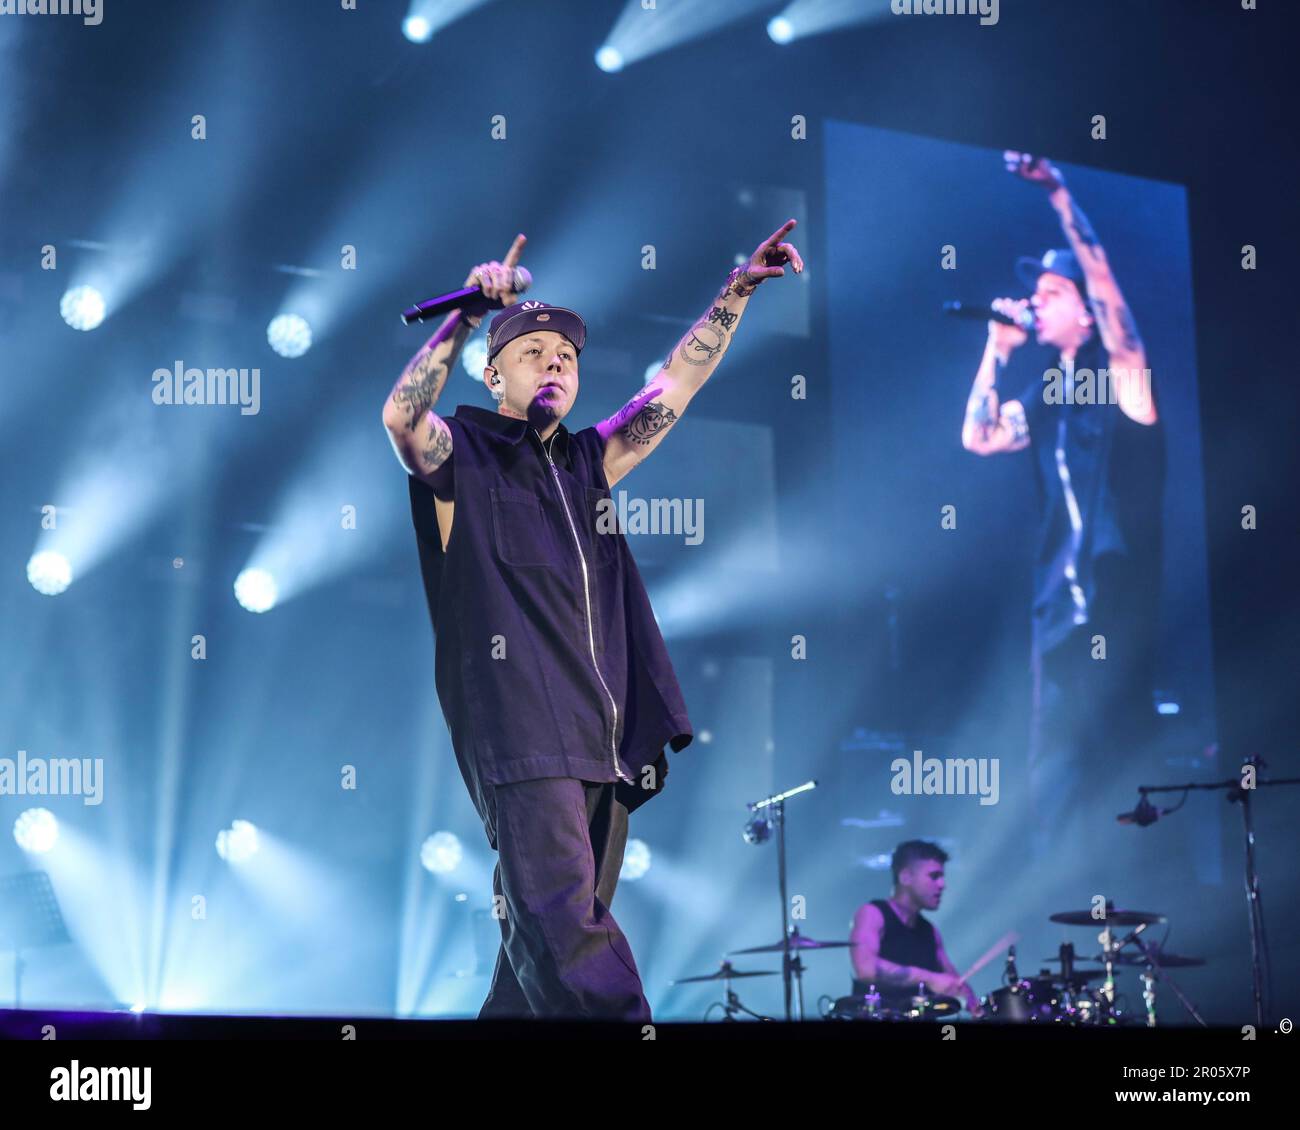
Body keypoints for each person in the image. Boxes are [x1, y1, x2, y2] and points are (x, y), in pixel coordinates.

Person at [382, 223, 804, 1019]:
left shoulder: (586, 462)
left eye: (568, 356)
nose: (556, 362)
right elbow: (402, 420)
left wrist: (738, 289)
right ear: (495, 373)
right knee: (573, 941)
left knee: (539, 956)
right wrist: (467, 314)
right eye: (535, 350)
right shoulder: (462, 454)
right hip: (521, 733)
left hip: (599, 740)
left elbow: (674, 387)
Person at [960, 153, 1165, 857]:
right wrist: (996, 348)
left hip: (1117, 599)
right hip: (1054, 610)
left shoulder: (1124, 377)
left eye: (1051, 292)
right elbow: (979, 438)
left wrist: (1060, 195)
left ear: (1084, 308)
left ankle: (1144, 888)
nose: (1037, 303)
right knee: (1054, 764)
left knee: (1121, 759)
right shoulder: (1047, 390)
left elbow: (1109, 293)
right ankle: (1063, 901)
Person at [847, 840, 982, 1017]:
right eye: (934, 876)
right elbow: (865, 968)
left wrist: (975, 1005)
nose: (942, 885)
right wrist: (931, 978)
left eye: (942, 877)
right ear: (905, 877)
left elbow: (954, 983)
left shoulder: (930, 931)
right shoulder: (872, 913)